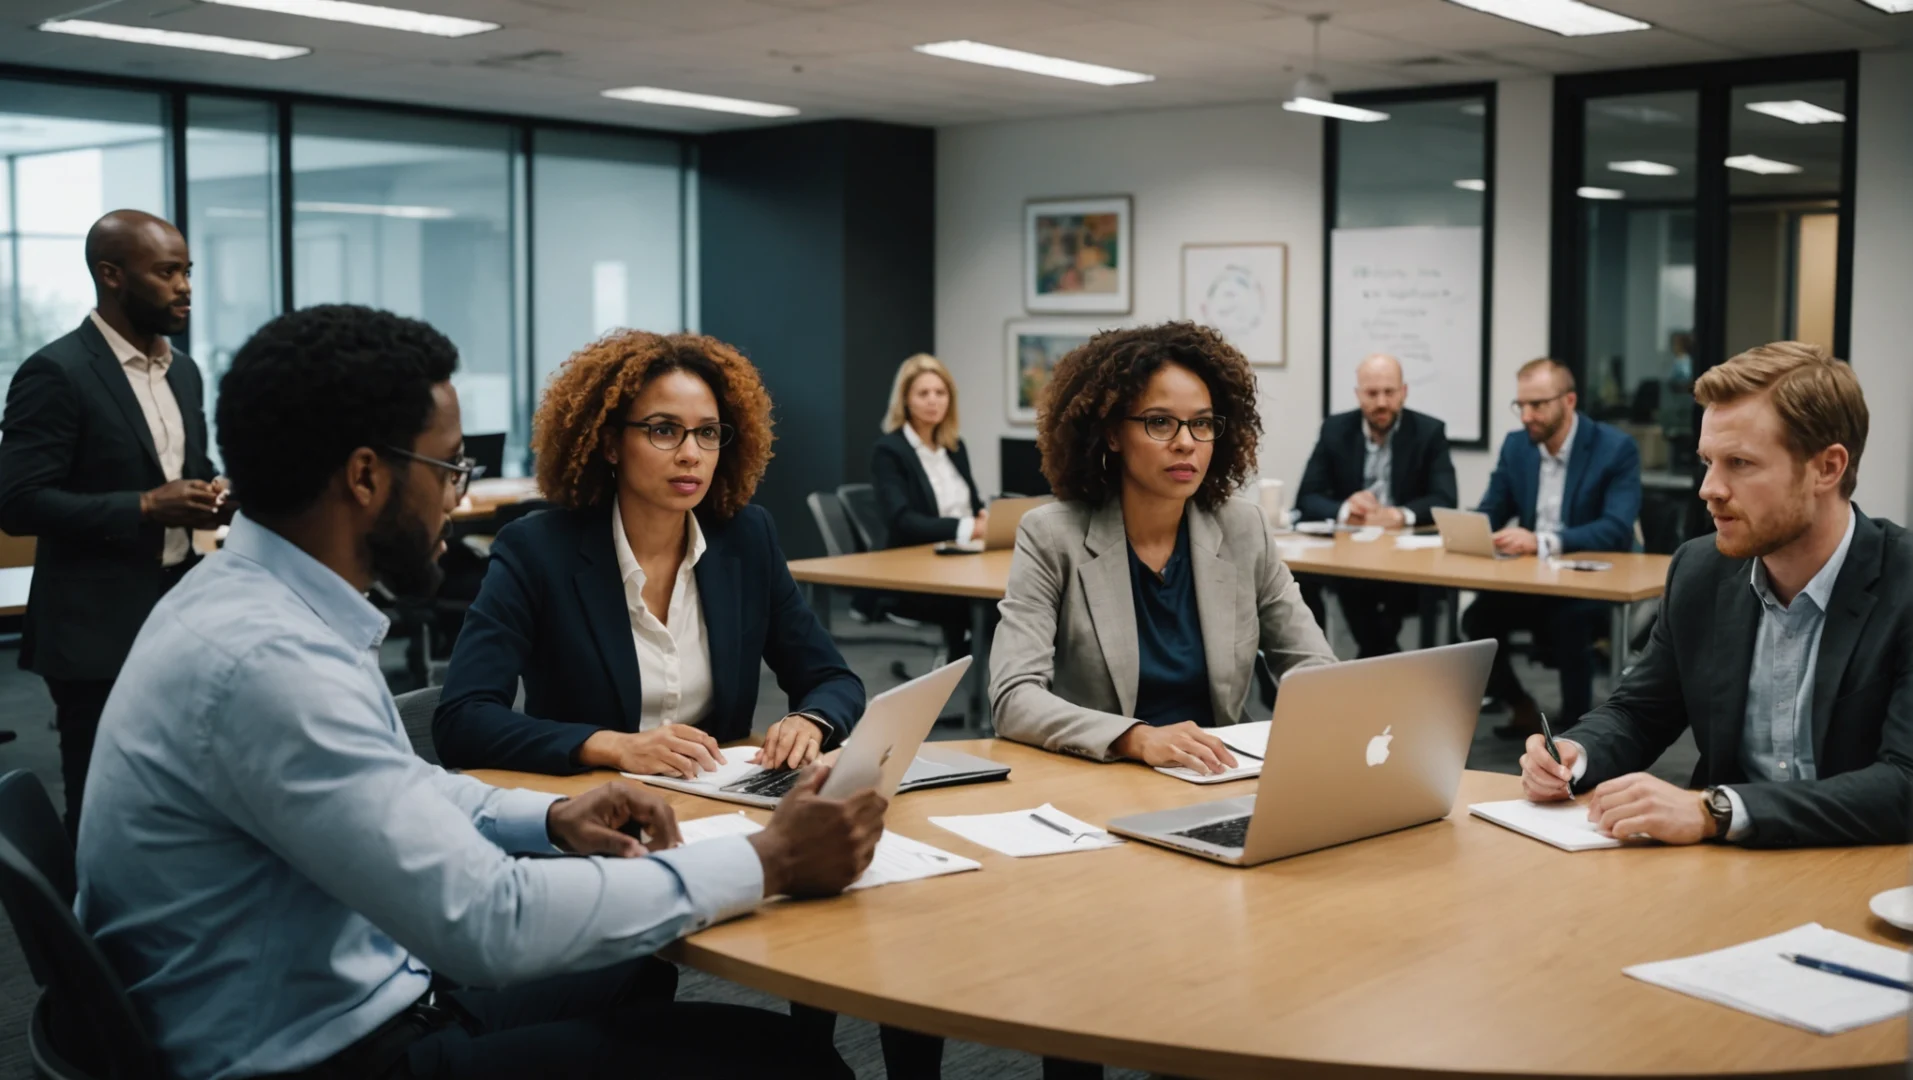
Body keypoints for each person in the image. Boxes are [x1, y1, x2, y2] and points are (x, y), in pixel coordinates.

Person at [74, 304, 880, 1080]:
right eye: (448, 467)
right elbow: (490, 925)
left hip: (343, 992)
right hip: (332, 1053)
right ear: (364, 476)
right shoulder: (269, 662)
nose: (458, 496)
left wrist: (550, 815)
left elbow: (398, 784)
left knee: (631, 971)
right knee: (794, 1062)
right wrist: (765, 860)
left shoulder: (253, 604)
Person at [1519, 341, 1909, 849]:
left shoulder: (1902, 581)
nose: (1710, 488)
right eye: (1707, 461)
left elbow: (1904, 784)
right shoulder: (1701, 570)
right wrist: (1575, 752)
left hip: (1858, 870)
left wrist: (1717, 809)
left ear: (1828, 468)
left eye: (1740, 463)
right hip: (1725, 868)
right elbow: (1641, 711)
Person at [433, 329, 863, 778]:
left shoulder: (746, 539)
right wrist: (612, 747)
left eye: (708, 433)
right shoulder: (538, 550)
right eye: (664, 430)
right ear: (610, 443)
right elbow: (462, 719)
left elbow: (833, 679)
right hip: (592, 808)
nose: (690, 454)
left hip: (716, 803)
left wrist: (810, 720)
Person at [992, 322, 1336, 775]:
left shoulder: (1243, 527)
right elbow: (1014, 697)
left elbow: (1312, 666)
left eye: (1201, 424)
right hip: (1103, 778)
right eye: (1159, 422)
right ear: (1113, 435)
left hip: (1219, 776)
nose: (1185, 442)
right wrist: (1135, 738)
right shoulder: (1052, 535)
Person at [0, 209, 233, 837]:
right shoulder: (56, 372)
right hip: (91, 624)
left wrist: (217, 491)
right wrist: (145, 506)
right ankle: (85, 930)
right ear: (111, 276)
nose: (185, 285)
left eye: (187, 270)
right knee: (103, 796)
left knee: (181, 783)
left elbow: (193, 466)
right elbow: (16, 501)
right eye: (166, 272)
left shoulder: (182, 370)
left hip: (178, 609)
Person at [1464, 358, 1642, 736]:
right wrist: (1471, 532)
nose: (1526, 416)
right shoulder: (1517, 447)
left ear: (1569, 401)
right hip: (1533, 579)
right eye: (1521, 406)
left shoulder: (1615, 448)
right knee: (1476, 620)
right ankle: (1521, 706)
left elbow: (1615, 529)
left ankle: (1575, 732)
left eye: (1537, 405)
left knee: (1568, 622)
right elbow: (1492, 510)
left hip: (1591, 582)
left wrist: (1543, 540)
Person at [1293, 352, 1458, 656]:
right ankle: (1371, 656)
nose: (1381, 402)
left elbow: (1445, 498)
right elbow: (1306, 497)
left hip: (1407, 560)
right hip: (1350, 558)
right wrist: (1346, 508)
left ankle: (1372, 656)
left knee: (1390, 594)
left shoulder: (1429, 432)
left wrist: (1400, 514)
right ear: (1358, 395)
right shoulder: (1335, 430)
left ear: (1403, 392)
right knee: (1306, 582)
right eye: (1372, 393)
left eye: (1389, 392)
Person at [869, 352, 987, 659]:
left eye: (940, 392)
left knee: (1013, 599)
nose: (933, 400)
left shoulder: (955, 447)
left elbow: (972, 504)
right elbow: (902, 520)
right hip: (915, 575)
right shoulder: (890, 451)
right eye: (923, 393)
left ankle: (983, 685)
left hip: (962, 563)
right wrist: (969, 527)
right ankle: (972, 691)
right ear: (905, 400)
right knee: (989, 606)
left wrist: (986, 517)